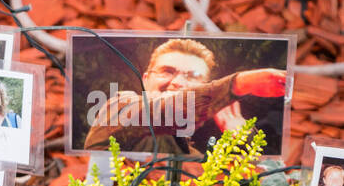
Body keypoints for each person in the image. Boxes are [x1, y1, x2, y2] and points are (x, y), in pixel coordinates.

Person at [82, 38, 288, 154]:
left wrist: (241, 137)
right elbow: (168, 110)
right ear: (145, 79)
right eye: (167, 71)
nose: (178, 82)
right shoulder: (120, 106)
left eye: (192, 77)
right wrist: (239, 84)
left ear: (205, 87)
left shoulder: (195, 159)